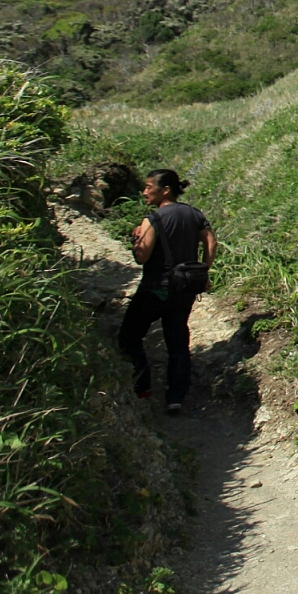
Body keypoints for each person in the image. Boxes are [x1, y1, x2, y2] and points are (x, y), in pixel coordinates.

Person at [118, 168, 216, 414]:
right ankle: (175, 398)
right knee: (178, 342)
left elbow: (142, 257)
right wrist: (203, 270)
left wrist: (136, 239)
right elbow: (211, 240)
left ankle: (142, 389)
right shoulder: (194, 214)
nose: (145, 192)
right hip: (184, 289)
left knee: (129, 337)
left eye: (149, 187)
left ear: (165, 190)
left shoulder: (153, 220)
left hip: (155, 289)